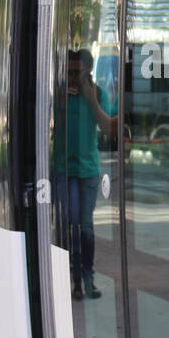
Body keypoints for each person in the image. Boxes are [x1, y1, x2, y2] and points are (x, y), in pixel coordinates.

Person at [52, 50, 116, 300]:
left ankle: (87, 277)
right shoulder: (58, 93)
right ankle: (74, 277)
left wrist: (91, 100)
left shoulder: (97, 93)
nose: (71, 77)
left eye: (76, 72)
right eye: (67, 72)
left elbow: (107, 127)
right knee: (71, 224)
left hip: (88, 170)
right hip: (63, 169)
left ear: (87, 72)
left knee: (85, 226)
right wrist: (59, 98)